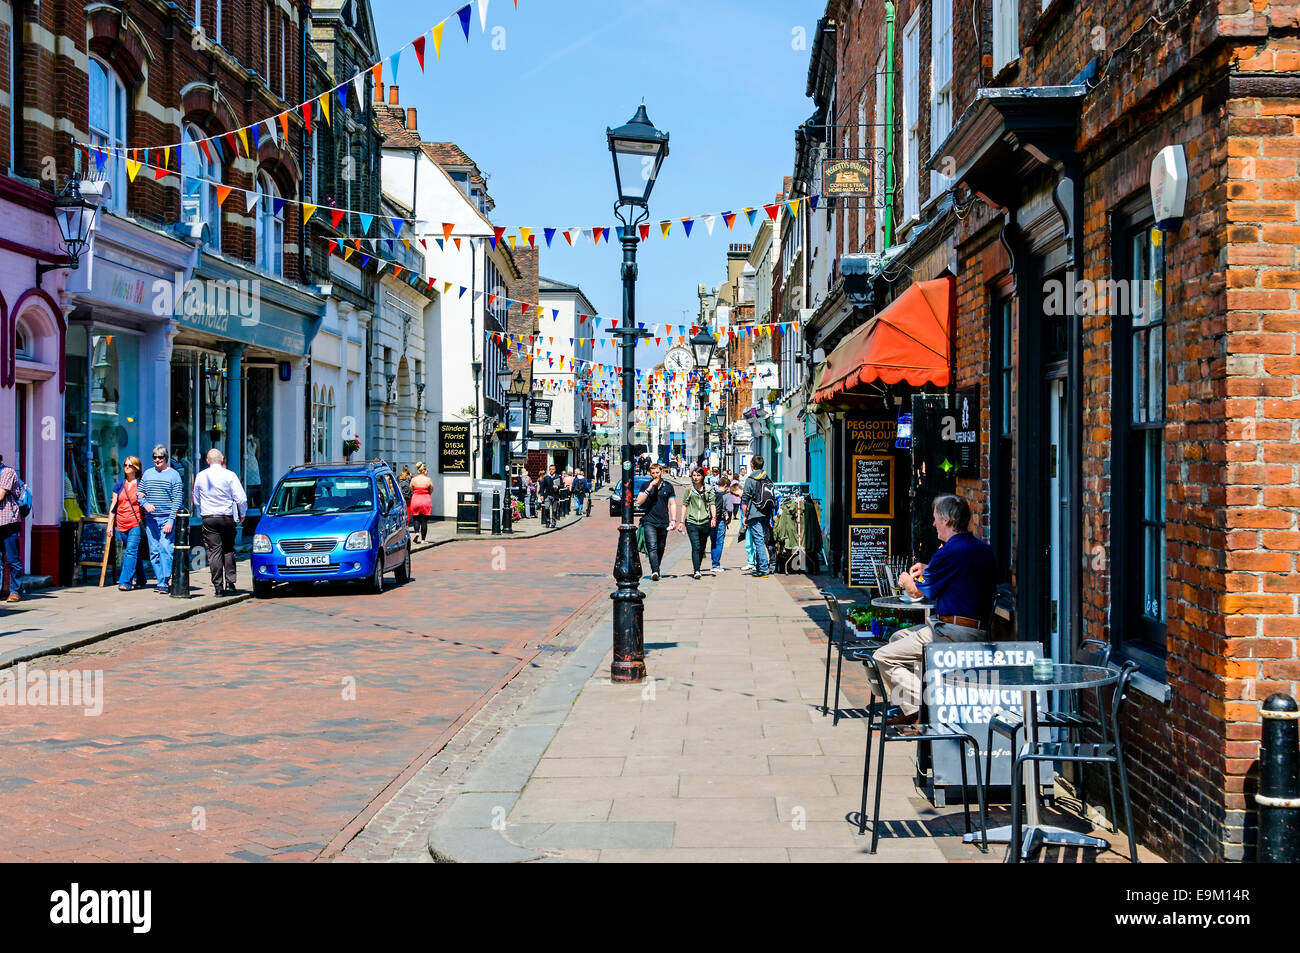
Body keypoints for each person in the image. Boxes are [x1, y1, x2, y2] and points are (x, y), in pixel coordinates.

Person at [872, 495, 997, 726]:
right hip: (976, 630)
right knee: (898, 637)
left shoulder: (948, 552)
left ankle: (926, 708)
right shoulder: (981, 549)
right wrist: (929, 568)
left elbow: (918, 593)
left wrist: (906, 580)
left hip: (952, 632)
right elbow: (961, 574)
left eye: (935, 519)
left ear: (947, 520)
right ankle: (911, 710)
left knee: (883, 656)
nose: (933, 524)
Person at [192, 448, 247, 596]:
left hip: (209, 517)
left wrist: (202, 511)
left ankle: (218, 587)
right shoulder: (230, 475)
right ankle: (230, 582)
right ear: (222, 459)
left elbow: (196, 498)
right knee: (228, 549)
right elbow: (241, 498)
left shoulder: (200, 476)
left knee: (214, 552)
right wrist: (242, 514)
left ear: (207, 461)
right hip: (226, 517)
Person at [139, 444, 183, 594]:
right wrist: (145, 505)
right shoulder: (147, 474)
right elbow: (139, 493)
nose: (157, 460)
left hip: (166, 518)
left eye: (160, 457)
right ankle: (160, 580)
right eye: (155, 457)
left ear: (166, 458)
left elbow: (178, 498)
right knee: (154, 552)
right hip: (151, 519)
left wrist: (171, 520)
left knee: (166, 549)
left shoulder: (173, 475)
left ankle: (164, 581)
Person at [109, 456, 146, 591]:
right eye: (125, 465)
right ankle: (141, 579)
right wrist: (110, 525)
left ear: (136, 468)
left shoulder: (142, 484)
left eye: (130, 465)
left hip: (135, 523)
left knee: (130, 552)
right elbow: (113, 505)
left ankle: (125, 582)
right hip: (121, 524)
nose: (127, 467)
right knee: (134, 552)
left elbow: (146, 503)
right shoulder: (119, 485)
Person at [635, 461, 677, 581]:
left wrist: (673, 520)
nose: (655, 475)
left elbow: (672, 503)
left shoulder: (668, 486)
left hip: (663, 521)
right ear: (650, 473)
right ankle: (655, 571)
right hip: (649, 521)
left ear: (662, 472)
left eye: (657, 472)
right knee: (652, 546)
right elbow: (639, 501)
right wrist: (650, 488)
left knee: (660, 547)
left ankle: (656, 567)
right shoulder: (646, 485)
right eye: (653, 473)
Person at [741, 455, 775, 577]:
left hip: (754, 513)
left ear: (752, 465)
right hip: (766, 512)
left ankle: (764, 569)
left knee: (759, 541)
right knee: (763, 540)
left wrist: (744, 516)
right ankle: (761, 567)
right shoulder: (767, 478)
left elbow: (744, 500)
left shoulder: (750, 480)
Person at [0, 454, 27, 602]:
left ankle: (15, 591)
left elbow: (0, 495)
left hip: (7, 521)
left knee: (12, 559)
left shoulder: (7, 472)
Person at [682, 466, 716, 580]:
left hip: (705, 522)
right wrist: (682, 521)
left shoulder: (709, 489)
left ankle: (698, 566)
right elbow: (684, 505)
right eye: (694, 475)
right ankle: (696, 570)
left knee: (701, 547)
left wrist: (713, 518)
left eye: (698, 475)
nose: (696, 478)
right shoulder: (689, 489)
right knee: (695, 547)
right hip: (691, 522)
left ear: (703, 477)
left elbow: (712, 504)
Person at [710, 478, 739, 573]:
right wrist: (729, 518)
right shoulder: (726, 495)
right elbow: (730, 509)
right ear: (726, 486)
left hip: (711, 520)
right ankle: (716, 564)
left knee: (713, 542)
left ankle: (713, 563)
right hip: (721, 521)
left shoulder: (712, 492)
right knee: (719, 542)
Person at [408, 463, 433, 542]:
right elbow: (431, 490)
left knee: (416, 518)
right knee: (424, 521)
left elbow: (411, 489)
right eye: (427, 471)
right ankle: (423, 540)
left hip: (416, 499)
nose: (427, 472)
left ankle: (416, 532)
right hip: (425, 500)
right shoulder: (428, 480)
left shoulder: (414, 479)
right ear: (424, 470)